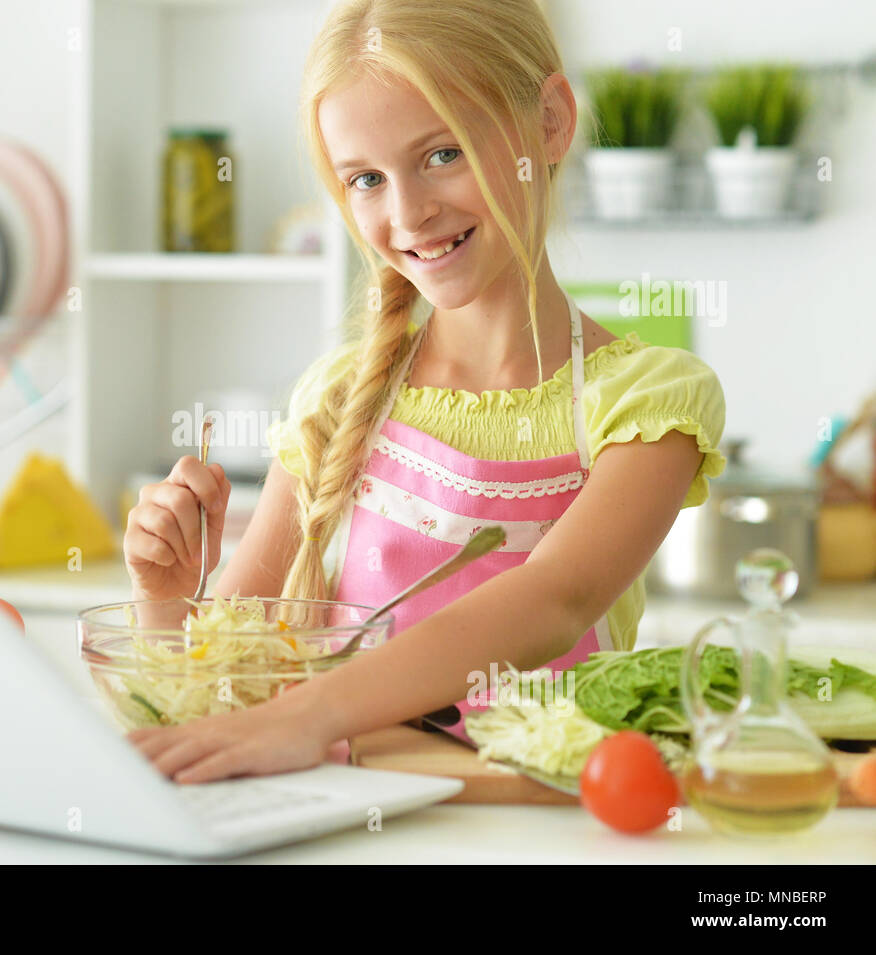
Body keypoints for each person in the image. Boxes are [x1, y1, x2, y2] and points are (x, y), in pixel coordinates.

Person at [121, 0, 726, 783]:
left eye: (443, 153)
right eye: (366, 178)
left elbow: (554, 599)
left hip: (536, 837)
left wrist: (313, 712)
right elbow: (214, 696)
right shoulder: (337, 402)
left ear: (549, 120)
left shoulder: (647, 402)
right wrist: (167, 602)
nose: (408, 212)